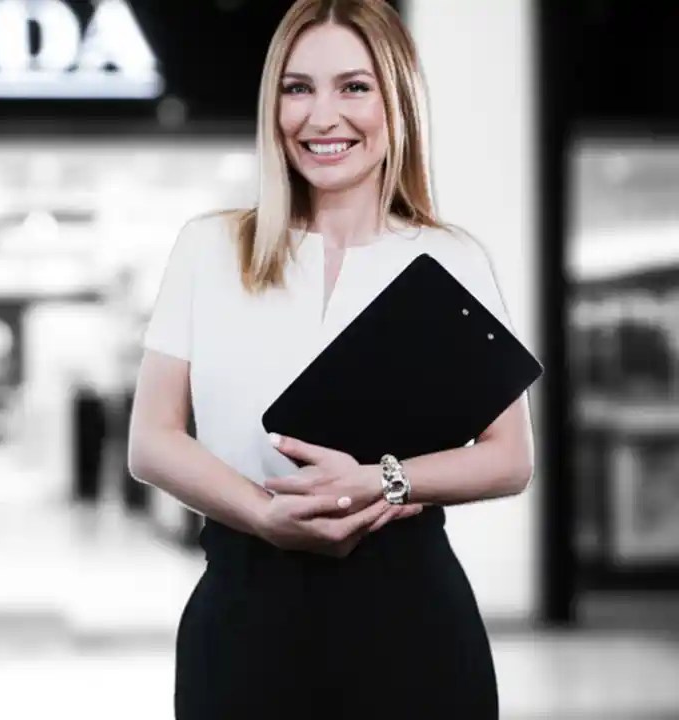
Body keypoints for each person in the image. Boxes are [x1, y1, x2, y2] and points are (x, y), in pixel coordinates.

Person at [126, 1, 535, 718]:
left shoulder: (449, 257)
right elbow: (151, 440)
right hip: (246, 614)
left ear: (397, 99)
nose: (322, 116)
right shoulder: (210, 248)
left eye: (353, 86)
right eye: (297, 87)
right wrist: (261, 513)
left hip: (410, 617)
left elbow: (509, 457)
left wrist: (389, 481)